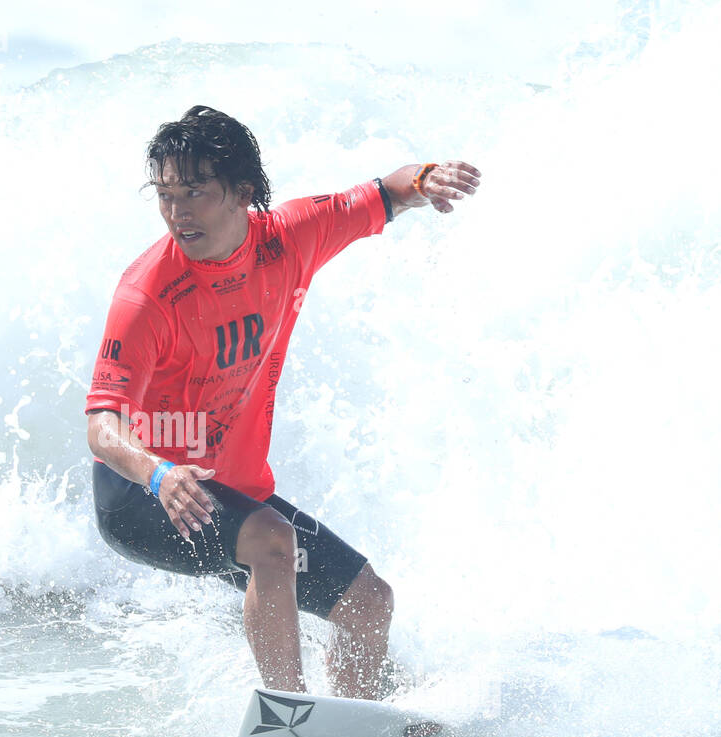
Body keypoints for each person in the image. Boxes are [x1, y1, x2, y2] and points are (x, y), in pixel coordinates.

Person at [84, 105, 480, 699]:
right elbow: (102, 426)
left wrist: (426, 179)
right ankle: (288, 714)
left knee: (369, 603)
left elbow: (387, 193)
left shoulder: (291, 238)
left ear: (242, 191)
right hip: (144, 497)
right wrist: (160, 474)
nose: (177, 213)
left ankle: (354, 723)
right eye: (165, 194)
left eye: (195, 192)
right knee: (272, 541)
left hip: (236, 488)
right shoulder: (148, 294)